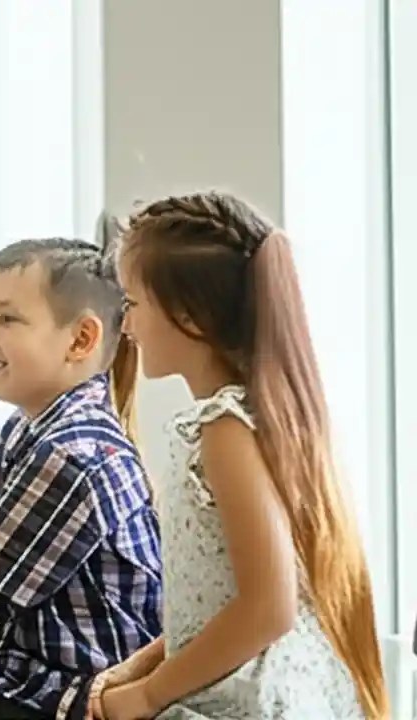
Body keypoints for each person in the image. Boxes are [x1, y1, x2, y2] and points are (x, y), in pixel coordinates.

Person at [93, 191, 387, 719]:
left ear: (190, 316)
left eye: (133, 304)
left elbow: (267, 608)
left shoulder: (226, 429)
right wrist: (142, 666)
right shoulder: (247, 419)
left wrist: (148, 694)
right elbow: (220, 602)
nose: (127, 326)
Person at [0, 238, 162, 720]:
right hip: (30, 684)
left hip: (71, 698)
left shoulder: (72, 453)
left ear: (80, 340)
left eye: (7, 319)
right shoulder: (28, 429)